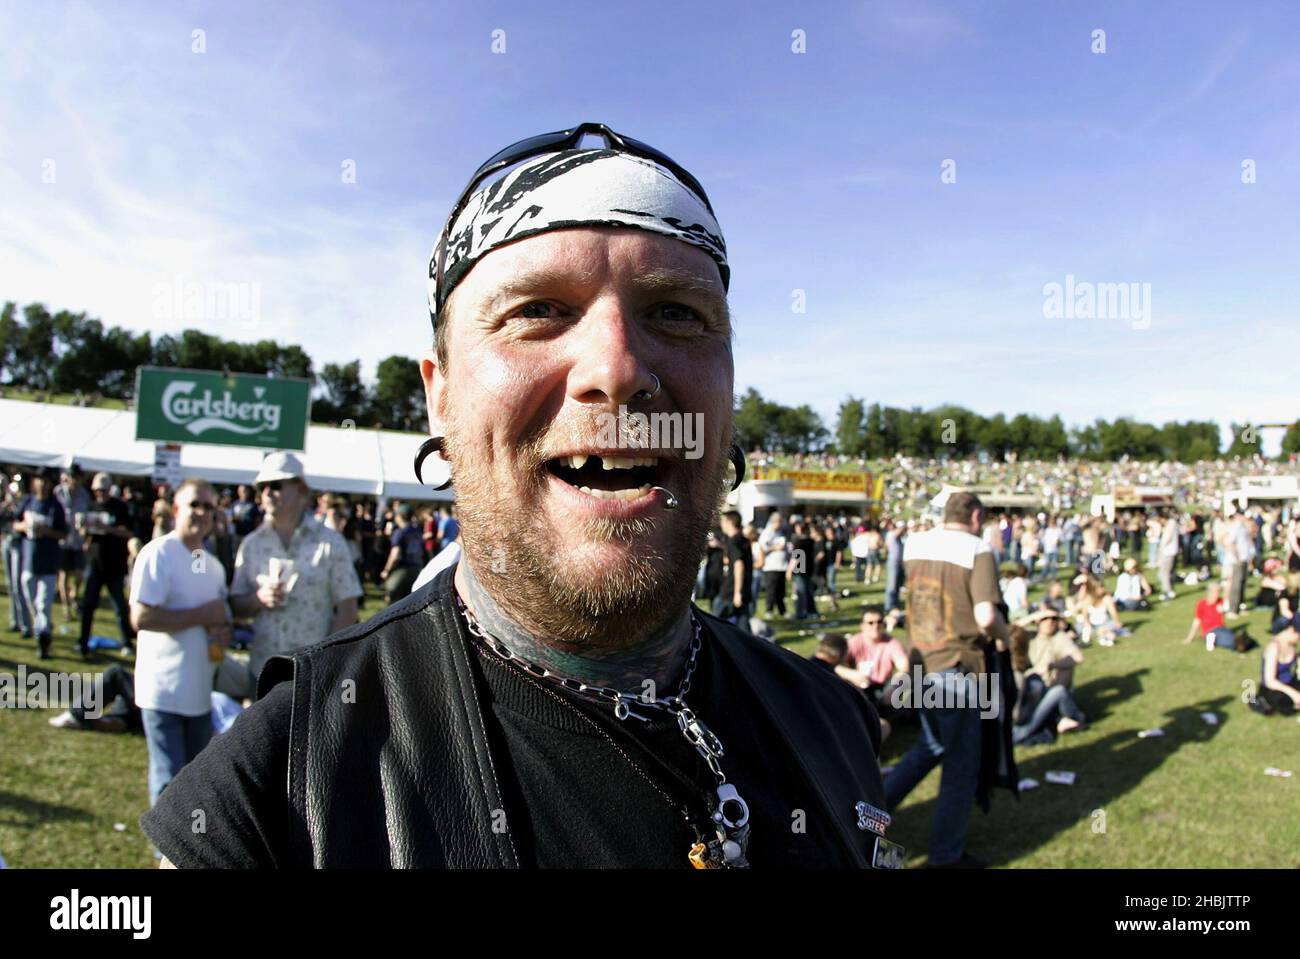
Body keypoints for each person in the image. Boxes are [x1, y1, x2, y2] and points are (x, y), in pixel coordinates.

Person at [141, 122, 888, 869]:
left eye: (675, 313)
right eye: (539, 310)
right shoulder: (277, 797)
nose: (617, 368)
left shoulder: (830, 719)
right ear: (440, 397)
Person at [884, 491, 1010, 868]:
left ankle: (867, 812)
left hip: (921, 661)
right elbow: (987, 616)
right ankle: (945, 857)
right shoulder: (978, 549)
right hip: (959, 666)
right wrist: (1008, 635)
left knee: (931, 747)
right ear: (975, 515)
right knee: (960, 766)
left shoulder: (915, 544)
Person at [129, 478, 232, 806]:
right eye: (194, 505)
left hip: (200, 695)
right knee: (168, 785)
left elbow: (214, 620)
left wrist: (221, 632)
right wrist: (201, 614)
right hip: (163, 693)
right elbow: (141, 618)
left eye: (209, 507)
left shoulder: (211, 565)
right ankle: (166, 856)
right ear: (175, 510)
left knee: (194, 785)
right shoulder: (158, 553)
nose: (202, 513)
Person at [227, 453, 362, 699]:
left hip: (311, 675)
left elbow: (347, 607)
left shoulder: (330, 542)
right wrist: (258, 599)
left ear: (300, 489)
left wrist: (328, 662)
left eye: (276, 485)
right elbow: (236, 605)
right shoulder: (251, 544)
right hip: (262, 671)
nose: (267, 493)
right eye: (262, 487)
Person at [77, 472, 136, 658]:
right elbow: (85, 536)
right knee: (88, 606)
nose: (100, 494)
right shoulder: (91, 506)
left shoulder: (120, 508)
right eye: (97, 490)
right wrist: (84, 530)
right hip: (94, 563)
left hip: (114, 564)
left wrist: (108, 529)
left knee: (120, 607)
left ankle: (127, 642)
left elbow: (129, 533)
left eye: (103, 490)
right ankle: (83, 642)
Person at [1007, 608, 1086, 746]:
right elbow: (1011, 629)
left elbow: (1078, 657)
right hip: (1032, 691)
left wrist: (1053, 665)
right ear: (1038, 621)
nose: (1050, 622)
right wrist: (1036, 616)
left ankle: (1073, 718)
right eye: (1045, 619)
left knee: (1058, 690)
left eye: (1054, 619)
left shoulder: (1060, 638)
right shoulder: (1031, 635)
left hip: (1050, 687)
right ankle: (1060, 720)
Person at [13, 468, 67, 659]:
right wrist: (24, 527)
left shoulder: (55, 506)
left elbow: (63, 533)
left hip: (48, 563)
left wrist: (46, 531)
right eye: (39, 480)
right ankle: (42, 628)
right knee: (31, 602)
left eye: (45, 481)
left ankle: (43, 639)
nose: (42, 484)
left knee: (43, 603)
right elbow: (15, 523)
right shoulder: (28, 501)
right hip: (29, 559)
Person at [842, 606, 909, 713]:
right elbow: (836, 665)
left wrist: (894, 685)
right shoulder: (853, 642)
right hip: (859, 686)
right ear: (862, 626)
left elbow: (904, 667)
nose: (875, 626)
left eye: (879, 622)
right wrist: (852, 675)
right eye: (870, 623)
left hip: (883, 688)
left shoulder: (891, 643)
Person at [54, 467, 90, 622]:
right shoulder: (58, 492)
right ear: (67, 477)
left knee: (80, 574)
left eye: (77, 477)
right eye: (72, 477)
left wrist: (85, 532)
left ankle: (74, 595)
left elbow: (87, 515)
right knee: (64, 575)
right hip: (63, 540)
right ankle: (66, 609)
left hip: (78, 541)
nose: (75, 480)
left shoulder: (84, 495)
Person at [2, 473, 33, 638]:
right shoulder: (10, 501)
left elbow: (21, 520)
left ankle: (26, 625)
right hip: (7, 541)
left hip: (19, 544)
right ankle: (15, 621)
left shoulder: (27, 501)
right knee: (10, 585)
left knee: (18, 585)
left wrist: (15, 504)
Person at [1183, 582, 1253, 652]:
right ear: (1209, 593)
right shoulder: (1202, 604)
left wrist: (1223, 611)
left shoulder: (1220, 602)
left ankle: (1242, 643)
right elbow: (1197, 621)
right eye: (1215, 593)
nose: (1217, 595)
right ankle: (1239, 645)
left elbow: (1227, 596)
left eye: (1218, 593)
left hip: (1221, 628)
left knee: (1230, 637)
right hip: (1209, 631)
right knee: (1229, 641)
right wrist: (1189, 638)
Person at [711, 510, 752, 627]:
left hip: (731, 590)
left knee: (714, 624)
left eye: (723, 521)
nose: (721, 524)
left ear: (730, 522)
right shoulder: (743, 540)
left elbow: (739, 565)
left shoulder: (733, 541)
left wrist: (737, 592)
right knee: (743, 626)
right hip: (745, 589)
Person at [1255, 615, 1300, 715]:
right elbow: (1270, 681)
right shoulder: (1274, 647)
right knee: (1283, 701)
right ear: (1292, 630)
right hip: (1274, 689)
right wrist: (1294, 694)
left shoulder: (1292, 643)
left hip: (1289, 682)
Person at [381, 503, 425, 602]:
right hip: (417, 568)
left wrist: (386, 570)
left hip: (403, 569)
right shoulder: (417, 531)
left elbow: (395, 554)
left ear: (399, 516)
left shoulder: (400, 532)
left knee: (391, 597)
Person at [757, 511, 790, 618]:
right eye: (779, 522)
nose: (780, 524)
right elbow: (763, 548)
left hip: (781, 566)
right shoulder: (767, 533)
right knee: (771, 590)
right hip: (771, 567)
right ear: (774, 522)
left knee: (781, 590)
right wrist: (776, 548)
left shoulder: (780, 532)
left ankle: (782, 610)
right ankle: (769, 610)